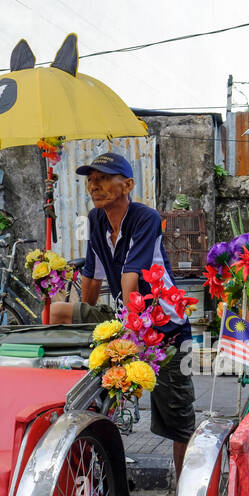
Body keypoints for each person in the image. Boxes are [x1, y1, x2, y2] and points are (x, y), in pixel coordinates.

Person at [49, 152, 195, 474]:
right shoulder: (95, 220)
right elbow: (91, 276)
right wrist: (87, 328)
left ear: (127, 184)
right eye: (90, 180)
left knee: (179, 420)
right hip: (123, 318)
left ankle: (182, 494)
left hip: (164, 327)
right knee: (58, 311)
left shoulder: (146, 218)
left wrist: (126, 341)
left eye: (102, 178)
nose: (94, 186)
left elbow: (131, 279)